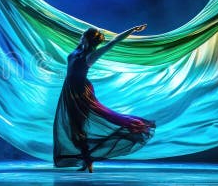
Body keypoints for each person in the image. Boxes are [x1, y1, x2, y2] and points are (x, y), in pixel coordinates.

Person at [53, 25, 155, 173]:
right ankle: (86, 160)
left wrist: (131, 30)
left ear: (87, 39)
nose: (80, 37)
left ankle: (88, 161)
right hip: (69, 91)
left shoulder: (90, 55)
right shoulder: (79, 49)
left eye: (83, 35)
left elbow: (113, 42)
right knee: (75, 128)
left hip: (80, 93)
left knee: (79, 127)